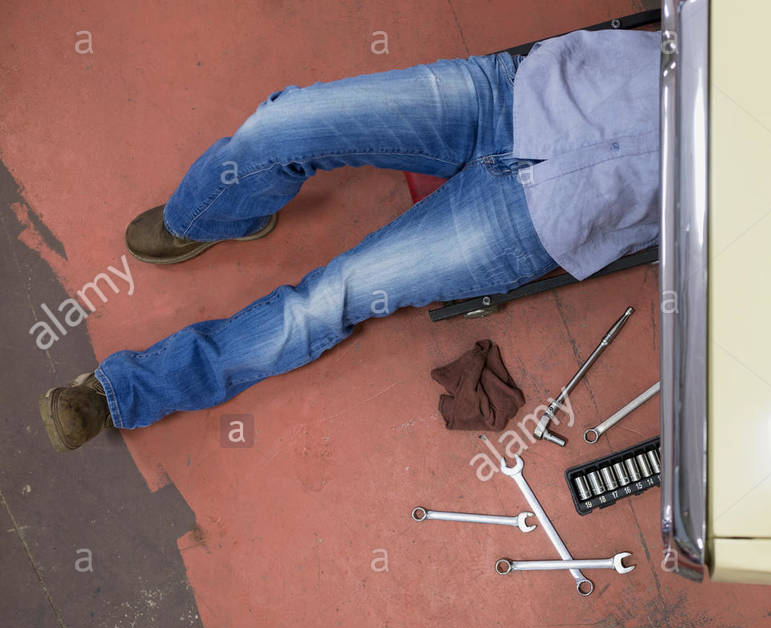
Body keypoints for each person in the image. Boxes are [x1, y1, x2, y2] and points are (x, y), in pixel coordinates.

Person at [39, 28, 660, 452]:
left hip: (542, 217)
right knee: (284, 124)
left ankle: (127, 391)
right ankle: (213, 214)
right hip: (525, 91)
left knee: (334, 294)